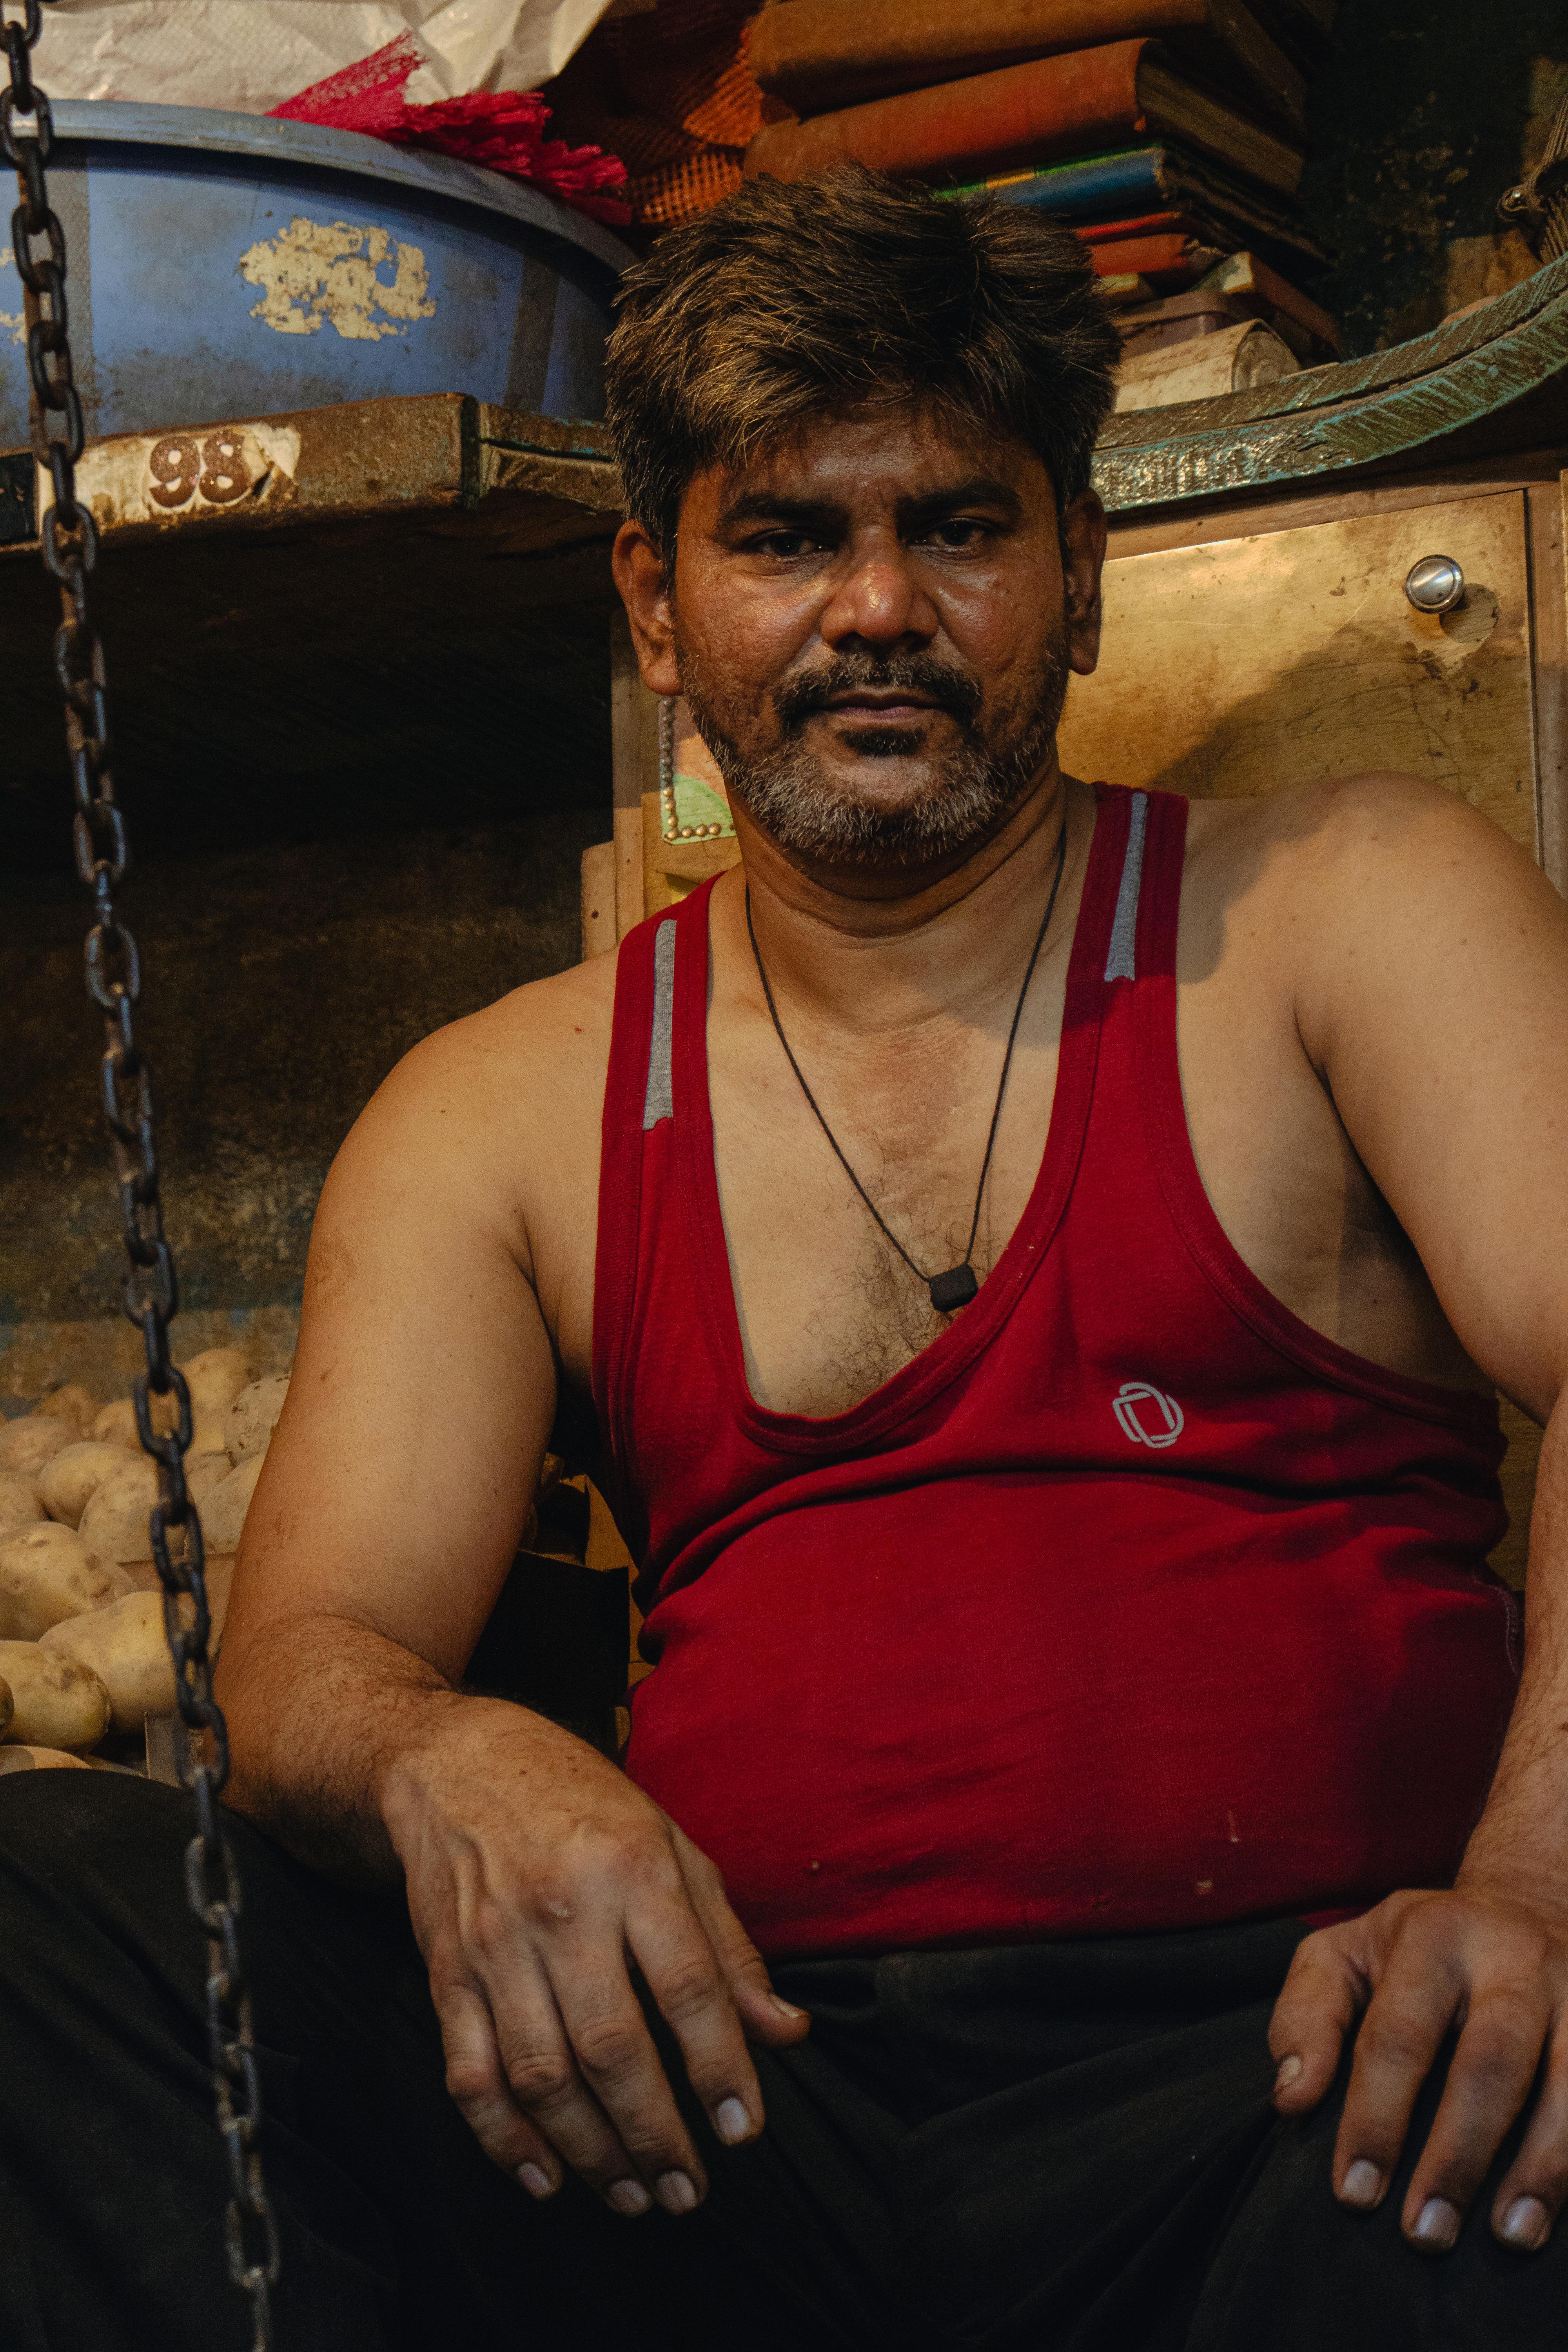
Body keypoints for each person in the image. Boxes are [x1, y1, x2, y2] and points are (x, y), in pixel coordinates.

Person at [2, 165, 1566, 2352]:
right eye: (784, 537)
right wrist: (454, 1757)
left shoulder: (1345, 909)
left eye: (957, 523)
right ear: (656, 603)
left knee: (1517, 2154)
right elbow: (310, 1663)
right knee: (51, 1908)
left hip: (1295, 2089)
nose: (876, 608)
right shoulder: (507, 1107)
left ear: (1080, 572)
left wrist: (1536, 1896)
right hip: (730, 2126)